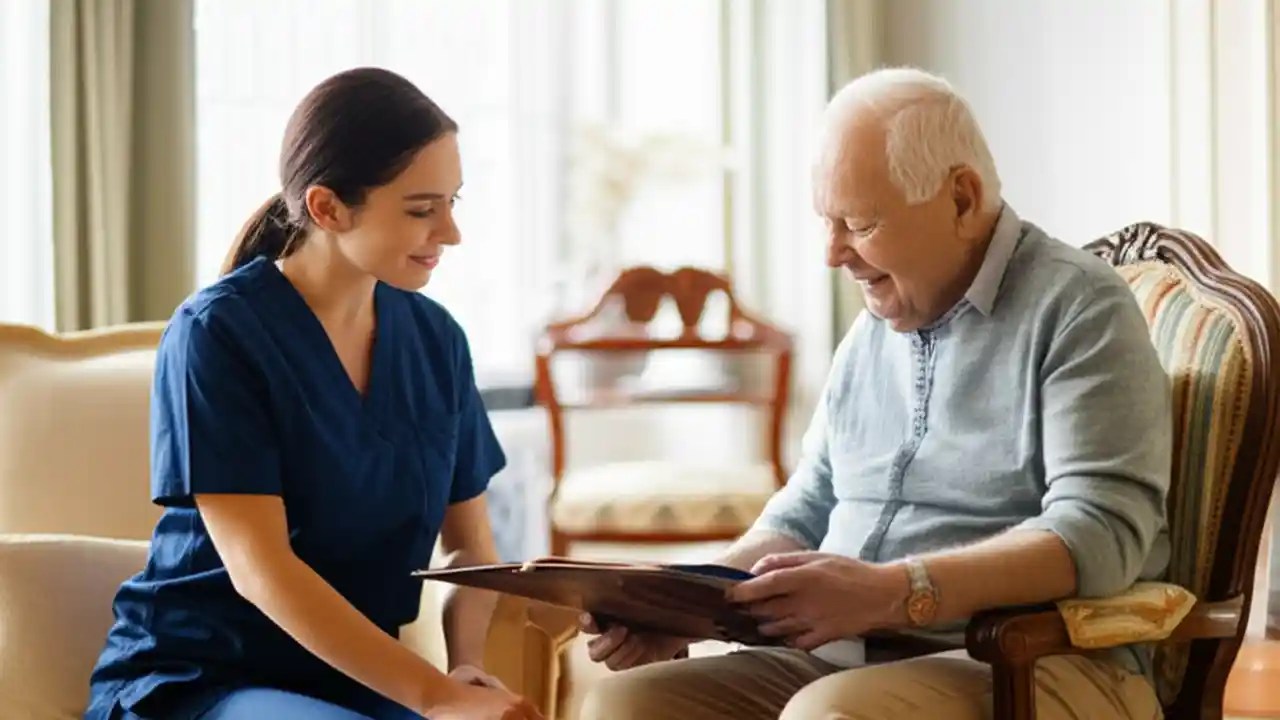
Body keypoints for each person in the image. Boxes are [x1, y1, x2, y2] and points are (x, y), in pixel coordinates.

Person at [578, 67, 1172, 719]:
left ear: (962, 200)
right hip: (846, 659)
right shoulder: (872, 329)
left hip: (1028, 662)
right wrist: (690, 605)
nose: (832, 253)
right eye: (825, 222)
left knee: (829, 714)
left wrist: (899, 591)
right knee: (627, 706)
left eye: (859, 224)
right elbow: (806, 511)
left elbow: (1100, 535)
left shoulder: (1080, 308)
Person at [83, 67, 542, 720]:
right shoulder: (218, 334)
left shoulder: (437, 341)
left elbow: (471, 551)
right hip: (202, 677)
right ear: (327, 207)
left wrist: (462, 671)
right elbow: (260, 568)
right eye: (421, 209)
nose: (451, 233)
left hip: (362, 681)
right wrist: (434, 697)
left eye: (452, 204)